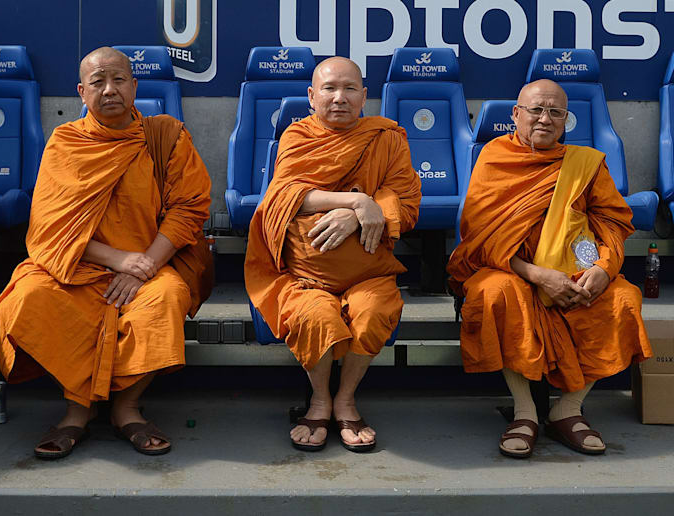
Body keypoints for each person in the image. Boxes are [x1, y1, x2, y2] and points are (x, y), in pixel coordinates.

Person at [0, 47, 211, 459]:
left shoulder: (165, 137)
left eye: (119, 80)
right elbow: (51, 226)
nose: (110, 90)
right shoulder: (66, 142)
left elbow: (189, 208)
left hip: (150, 262)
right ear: (81, 92)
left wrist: (142, 266)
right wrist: (117, 260)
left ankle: (127, 408)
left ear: (135, 86)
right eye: (98, 82)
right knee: (28, 297)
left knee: (168, 298)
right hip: (77, 263)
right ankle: (78, 409)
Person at [447, 79, 652, 458]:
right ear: (516, 115)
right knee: (495, 292)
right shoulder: (495, 158)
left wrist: (604, 270)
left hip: (574, 270)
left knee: (623, 296)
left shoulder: (584, 164)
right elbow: (480, 238)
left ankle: (567, 410)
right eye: (536, 110)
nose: (545, 119)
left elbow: (612, 224)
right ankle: (524, 411)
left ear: (566, 120)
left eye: (556, 112)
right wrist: (538, 275)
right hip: (513, 269)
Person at [245, 57, 421, 452]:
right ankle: (320, 398)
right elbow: (285, 194)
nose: (339, 98)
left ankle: (346, 397)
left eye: (349, 89)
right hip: (304, 276)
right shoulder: (297, 135)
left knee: (373, 312)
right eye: (329, 89)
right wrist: (357, 202)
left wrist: (357, 217)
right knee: (315, 315)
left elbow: (406, 203)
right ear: (311, 96)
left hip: (369, 272)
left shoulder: (387, 138)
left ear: (364, 96)